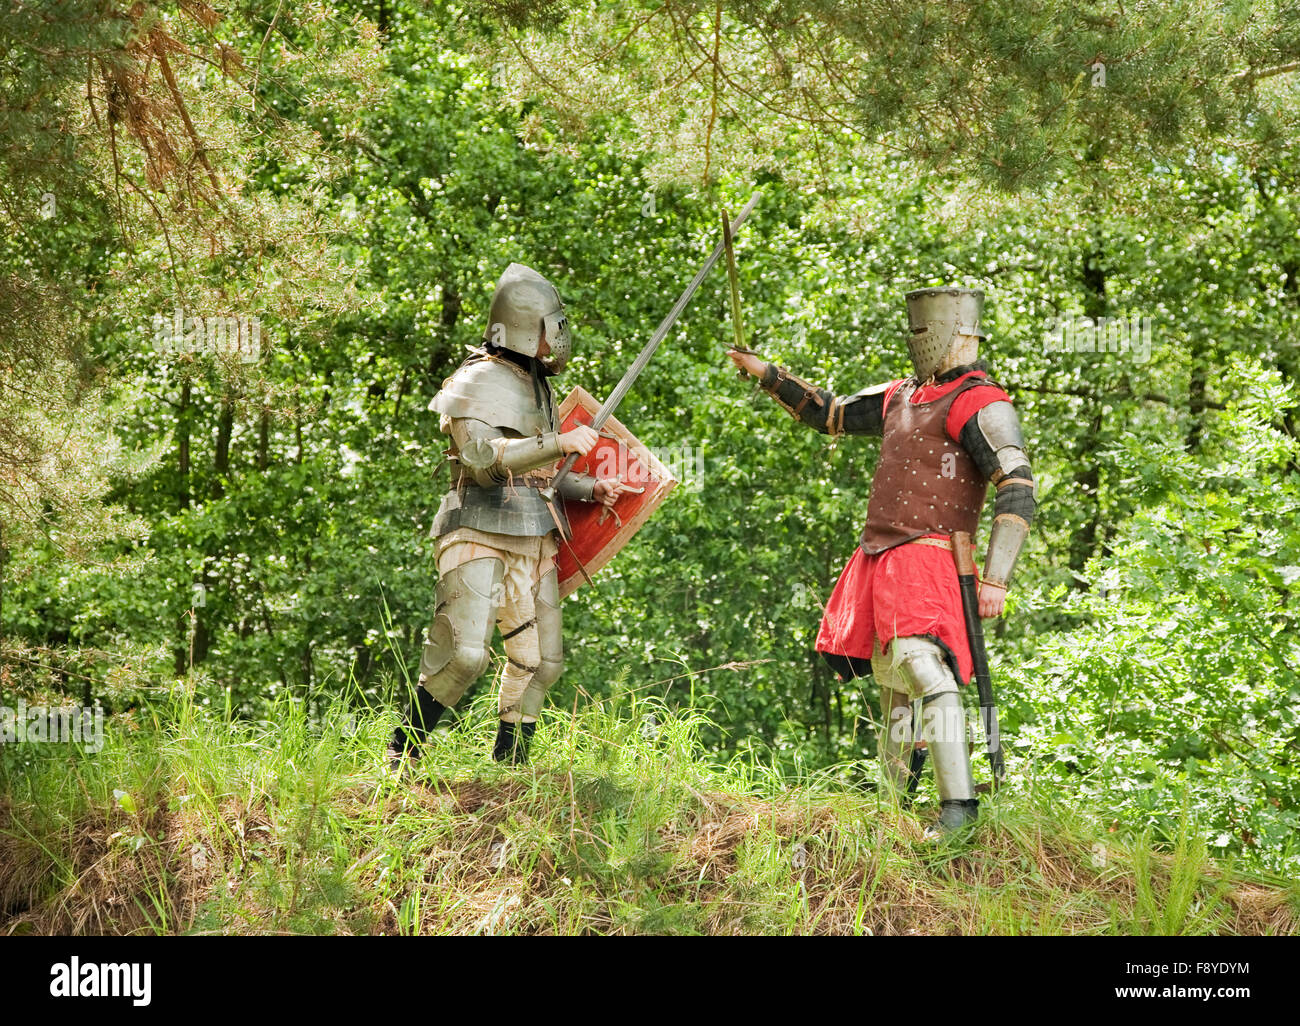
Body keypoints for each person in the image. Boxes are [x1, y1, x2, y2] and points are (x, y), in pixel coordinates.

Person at [728, 287, 1035, 835]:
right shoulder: (901, 395)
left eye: (925, 330)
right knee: (893, 685)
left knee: (925, 670)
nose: (917, 342)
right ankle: (892, 811)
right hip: (879, 555)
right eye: (912, 331)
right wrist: (765, 372)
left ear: (959, 331)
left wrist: (997, 579)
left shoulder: (981, 400)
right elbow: (831, 414)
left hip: (933, 557)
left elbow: (1016, 485)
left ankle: (959, 810)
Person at [389, 263, 633, 769]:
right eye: (550, 327)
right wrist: (558, 441)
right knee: (466, 656)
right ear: (526, 329)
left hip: (534, 533)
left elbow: (541, 474)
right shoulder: (476, 380)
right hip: (478, 527)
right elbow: (482, 461)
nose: (557, 339)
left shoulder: (538, 387)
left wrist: (591, 486)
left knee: (542, 662)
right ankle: (402, 752)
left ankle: (511, 772)